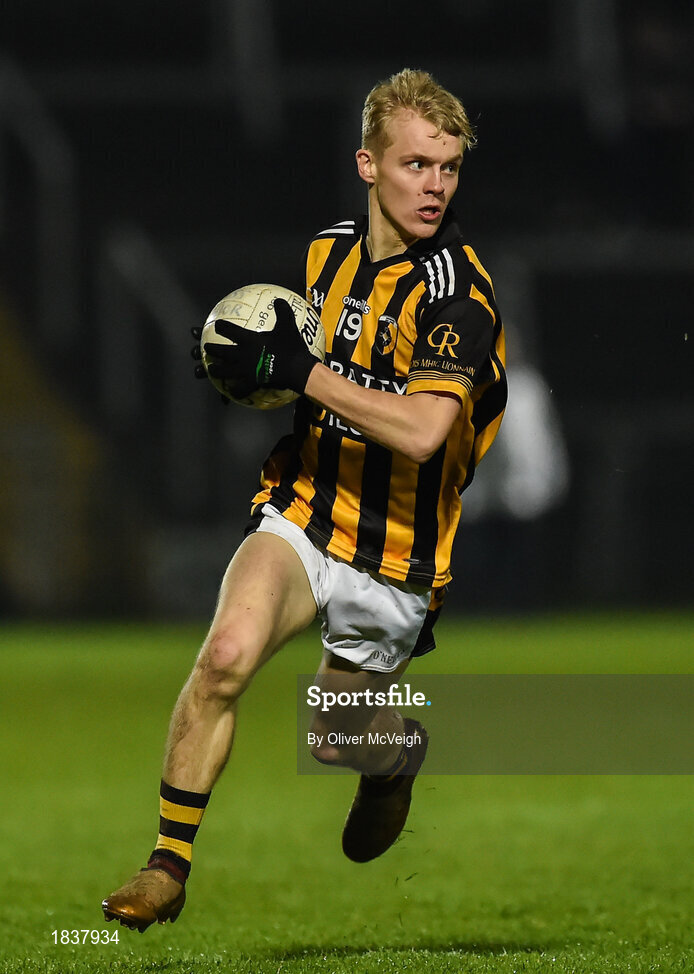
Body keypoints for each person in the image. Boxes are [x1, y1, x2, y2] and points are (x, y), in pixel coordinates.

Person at [102, 67, 507, 933]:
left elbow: (424, 432)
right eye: (416, 164)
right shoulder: (326, 254)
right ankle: (167, 865)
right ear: (367, 165)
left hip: (398, 556)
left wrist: (302, 372)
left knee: (333, 735)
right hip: (306, 509)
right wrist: (241, 373)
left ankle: (395, 759)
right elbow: (294, 368)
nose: (435, 184)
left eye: (450, 167)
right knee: (224, 658)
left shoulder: (458, 298)